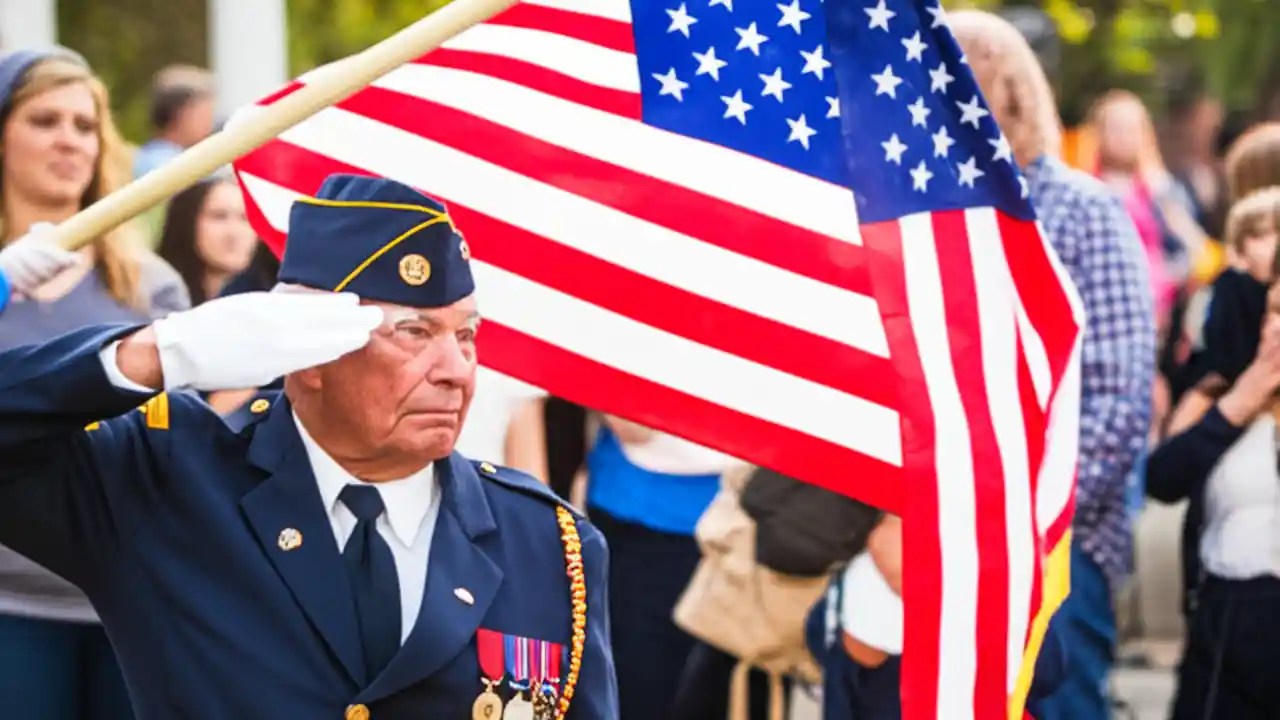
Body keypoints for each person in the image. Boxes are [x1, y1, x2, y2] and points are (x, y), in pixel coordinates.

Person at [0, 174, 618, 719]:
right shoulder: (167, 482)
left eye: (468, 335)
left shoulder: (545, 543)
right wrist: (151, 354)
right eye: (414, 332)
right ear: (310, 353)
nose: (456, 369)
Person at [950, 12, 1156, 720]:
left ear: (1009, 92)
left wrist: (1027, 526)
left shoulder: (1082, 211)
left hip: (1057, 553)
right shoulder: (931, 221)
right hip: (935, 551)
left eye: (957, 81)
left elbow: (1119, 400)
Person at [0, 46, 189, 719]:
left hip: (124, 596)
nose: (68, 140)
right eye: (44, 119)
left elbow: (179, 434)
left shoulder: (149, 282)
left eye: (84, 125)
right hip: (9, 602)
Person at [1150, 264, 1280, 719]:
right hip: (1229, 620)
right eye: (1273, 311)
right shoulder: (1221, 393)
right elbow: (1163, 479)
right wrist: (1241, 401)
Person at [156, 174, 258, 306]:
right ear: (186, 222)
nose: (234, 233)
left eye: (245, 218)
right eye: (219, 217)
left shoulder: (273, 302)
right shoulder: (152, 296)